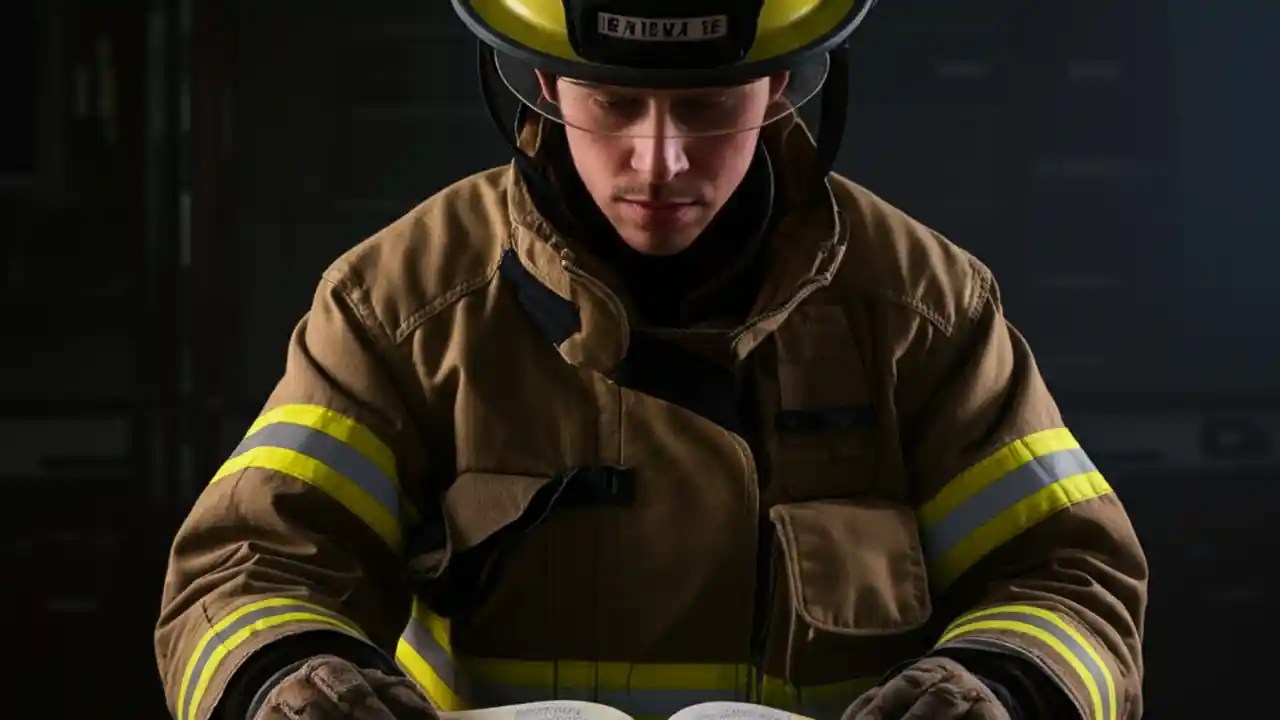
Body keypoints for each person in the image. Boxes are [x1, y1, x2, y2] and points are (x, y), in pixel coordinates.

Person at [155, 1, 1149, 719]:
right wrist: (288, 682)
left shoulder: (921, 309)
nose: (660, 161)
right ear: (544, 79)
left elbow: (1067, 576)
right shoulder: (399, 304)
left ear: (779, 83)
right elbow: (248, 571)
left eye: (708, 105)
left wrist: (1000, 689)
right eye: (613, 103)